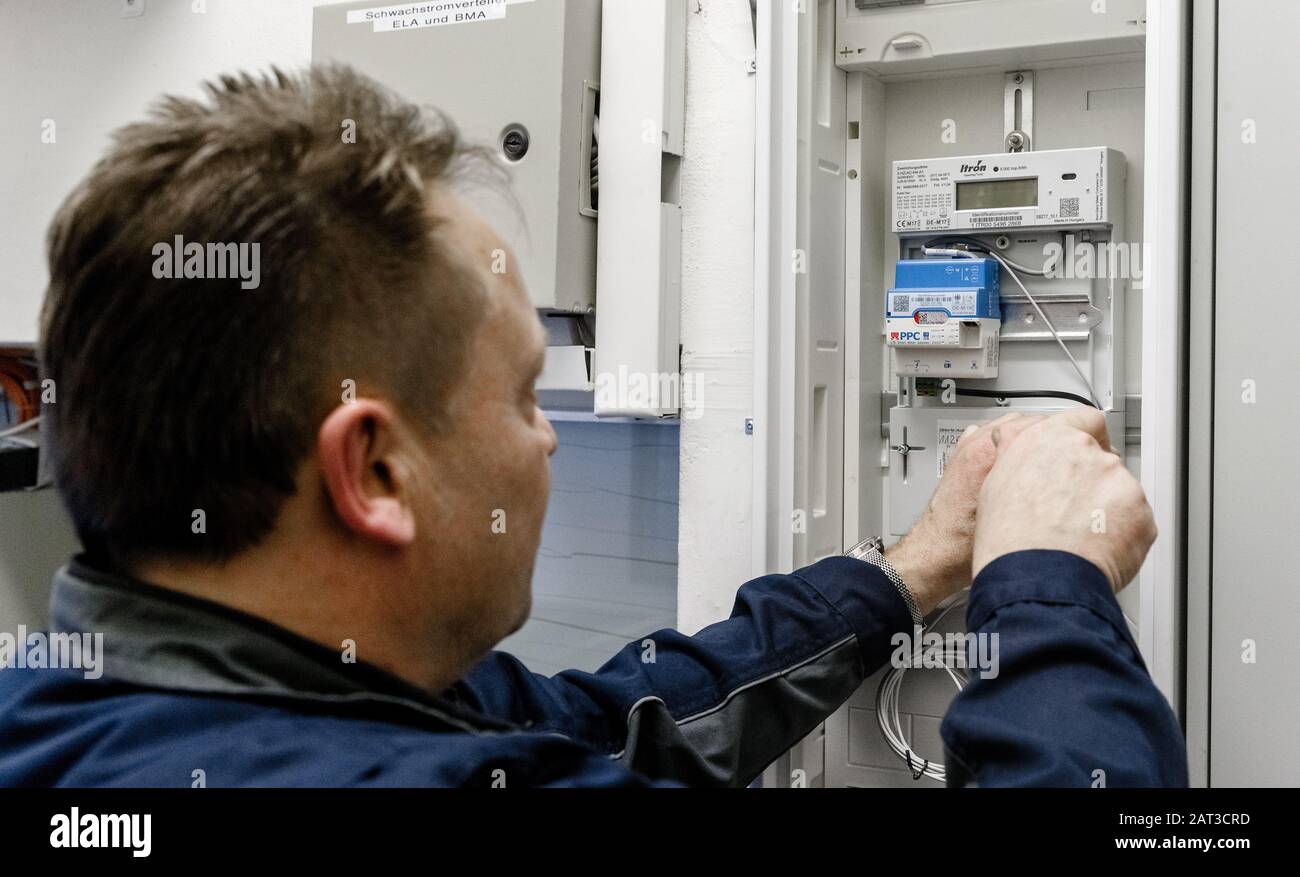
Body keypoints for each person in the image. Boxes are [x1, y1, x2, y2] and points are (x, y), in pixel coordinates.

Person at [0, 67, 1186, 787]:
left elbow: (616, 724)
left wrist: (915, 566)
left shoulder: (149, 701)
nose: (547, 439)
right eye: (523, 395)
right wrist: (1047, 586)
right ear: (372, 467)